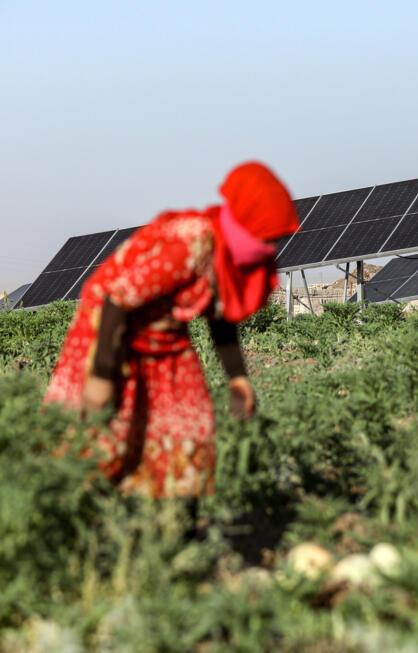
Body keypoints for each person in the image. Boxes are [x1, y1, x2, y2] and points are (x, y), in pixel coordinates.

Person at [44, 162, 299, 498]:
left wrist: (237, 378)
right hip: (111, 334)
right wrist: (101, 377)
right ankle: (85, 512)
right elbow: (116, 301)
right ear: (246, 223)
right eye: (267, 238)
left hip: (166, 341)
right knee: (102, 435)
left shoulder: (224, 254)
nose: (270, 248)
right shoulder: (189, 245)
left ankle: (178, 519)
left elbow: (220, 315)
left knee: (191, 426)